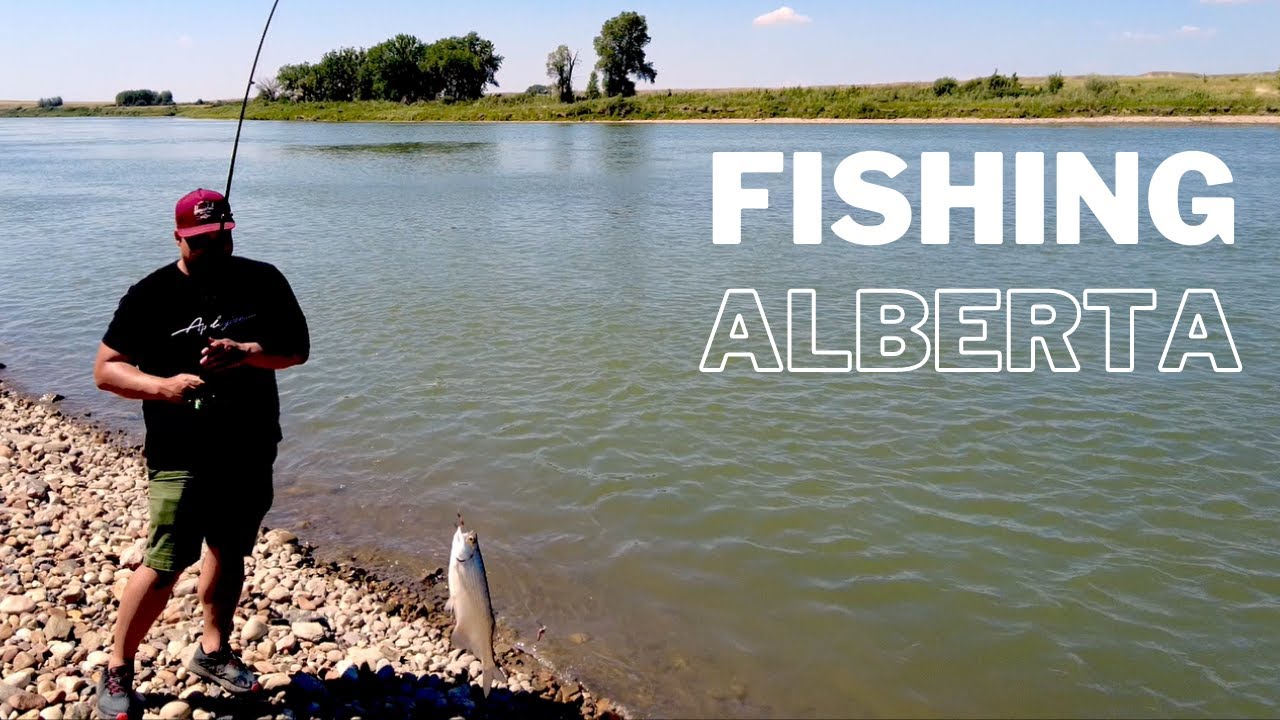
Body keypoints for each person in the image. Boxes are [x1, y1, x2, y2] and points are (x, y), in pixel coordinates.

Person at [92, 188, 310, 718]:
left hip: (251, 441)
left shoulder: (263, 280)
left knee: (230, 548)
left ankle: (213, 649)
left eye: (219, 237)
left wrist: (249, 352)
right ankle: (118, 666)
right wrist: (162, 387)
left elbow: (297, 350)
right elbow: (106, 370)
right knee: (166, 561)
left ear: (231, 231)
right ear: (178, 238)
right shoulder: (149, 295)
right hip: (180, 450)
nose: (211, 248)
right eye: (199, 241)